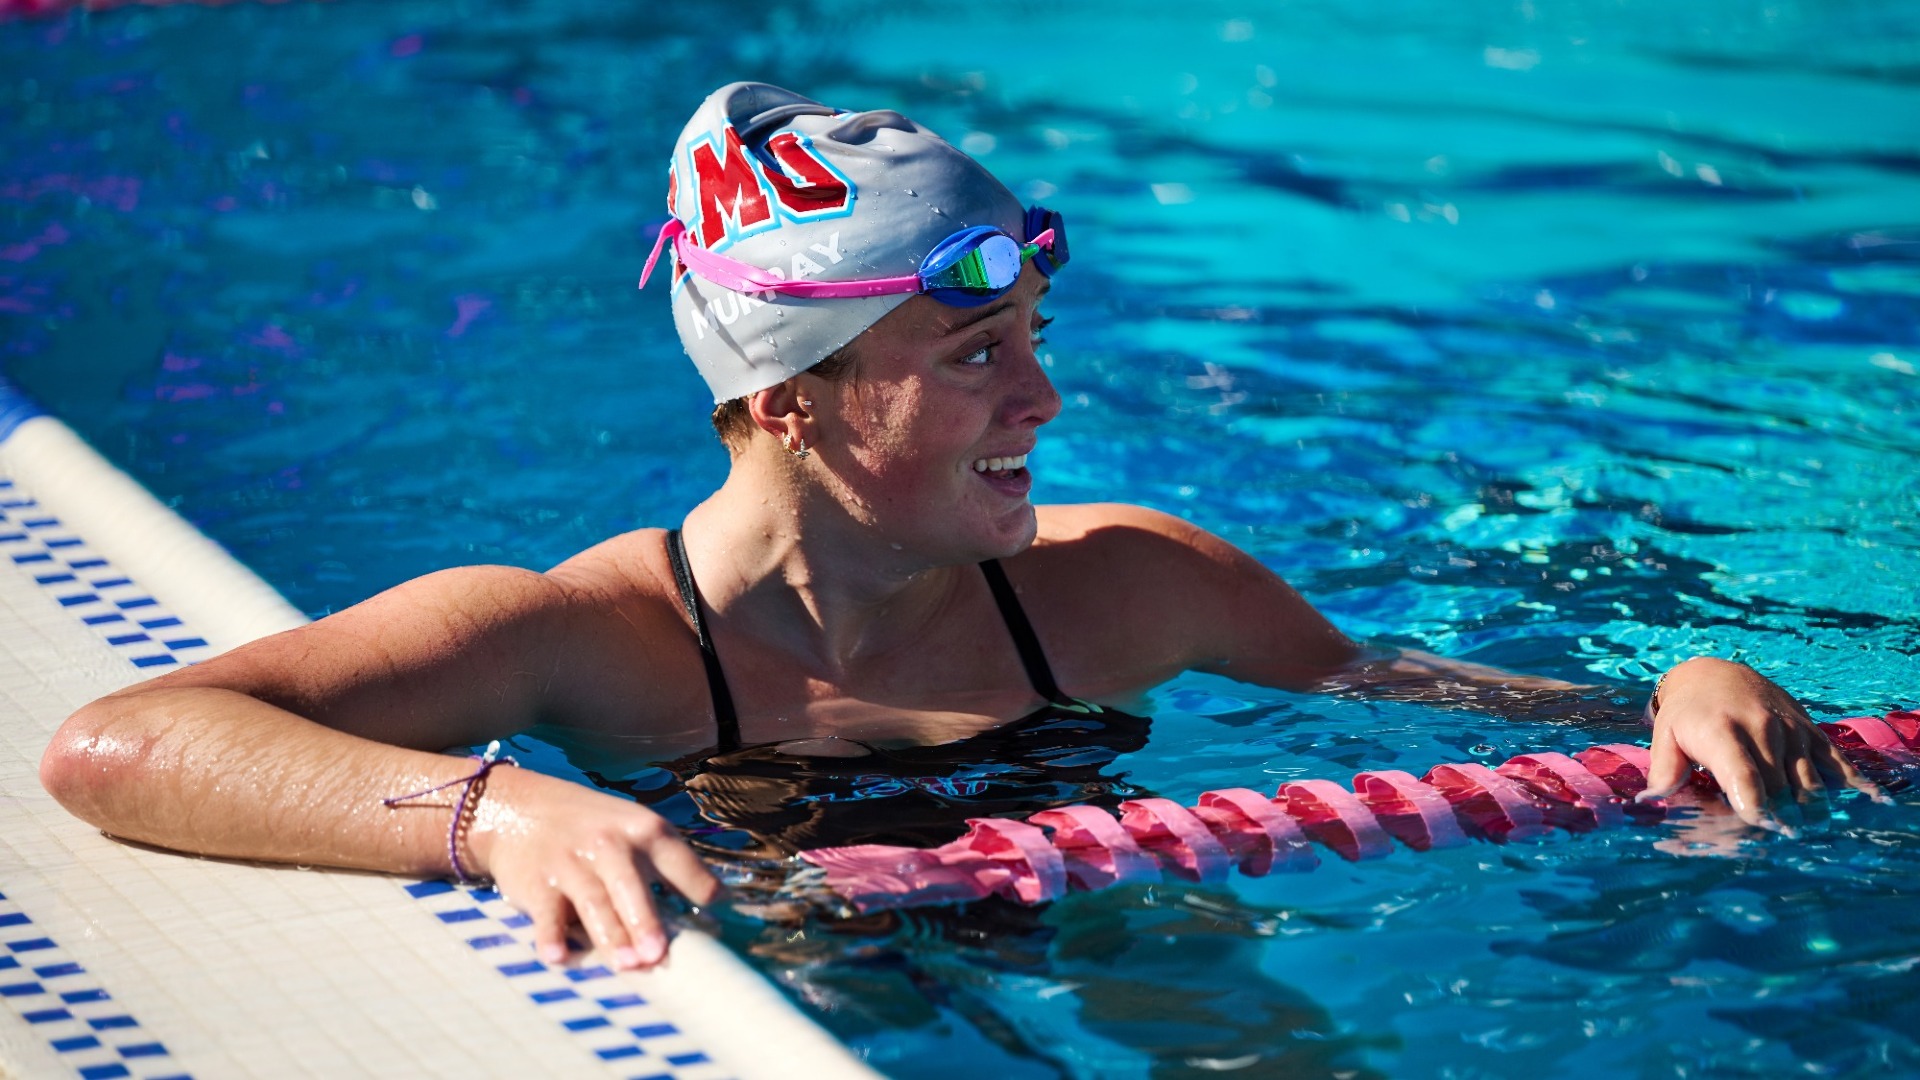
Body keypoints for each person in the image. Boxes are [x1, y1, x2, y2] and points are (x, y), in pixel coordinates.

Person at [40, 82, 1878, 972]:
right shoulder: (576, 641)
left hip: (1118, 939)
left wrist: (1683, 685)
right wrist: (494, 806)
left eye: (1036, 342)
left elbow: (1427, 701)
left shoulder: (1129, 586)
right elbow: (119, 744)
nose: (1048, 405)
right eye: (976, 354)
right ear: (789, 400)